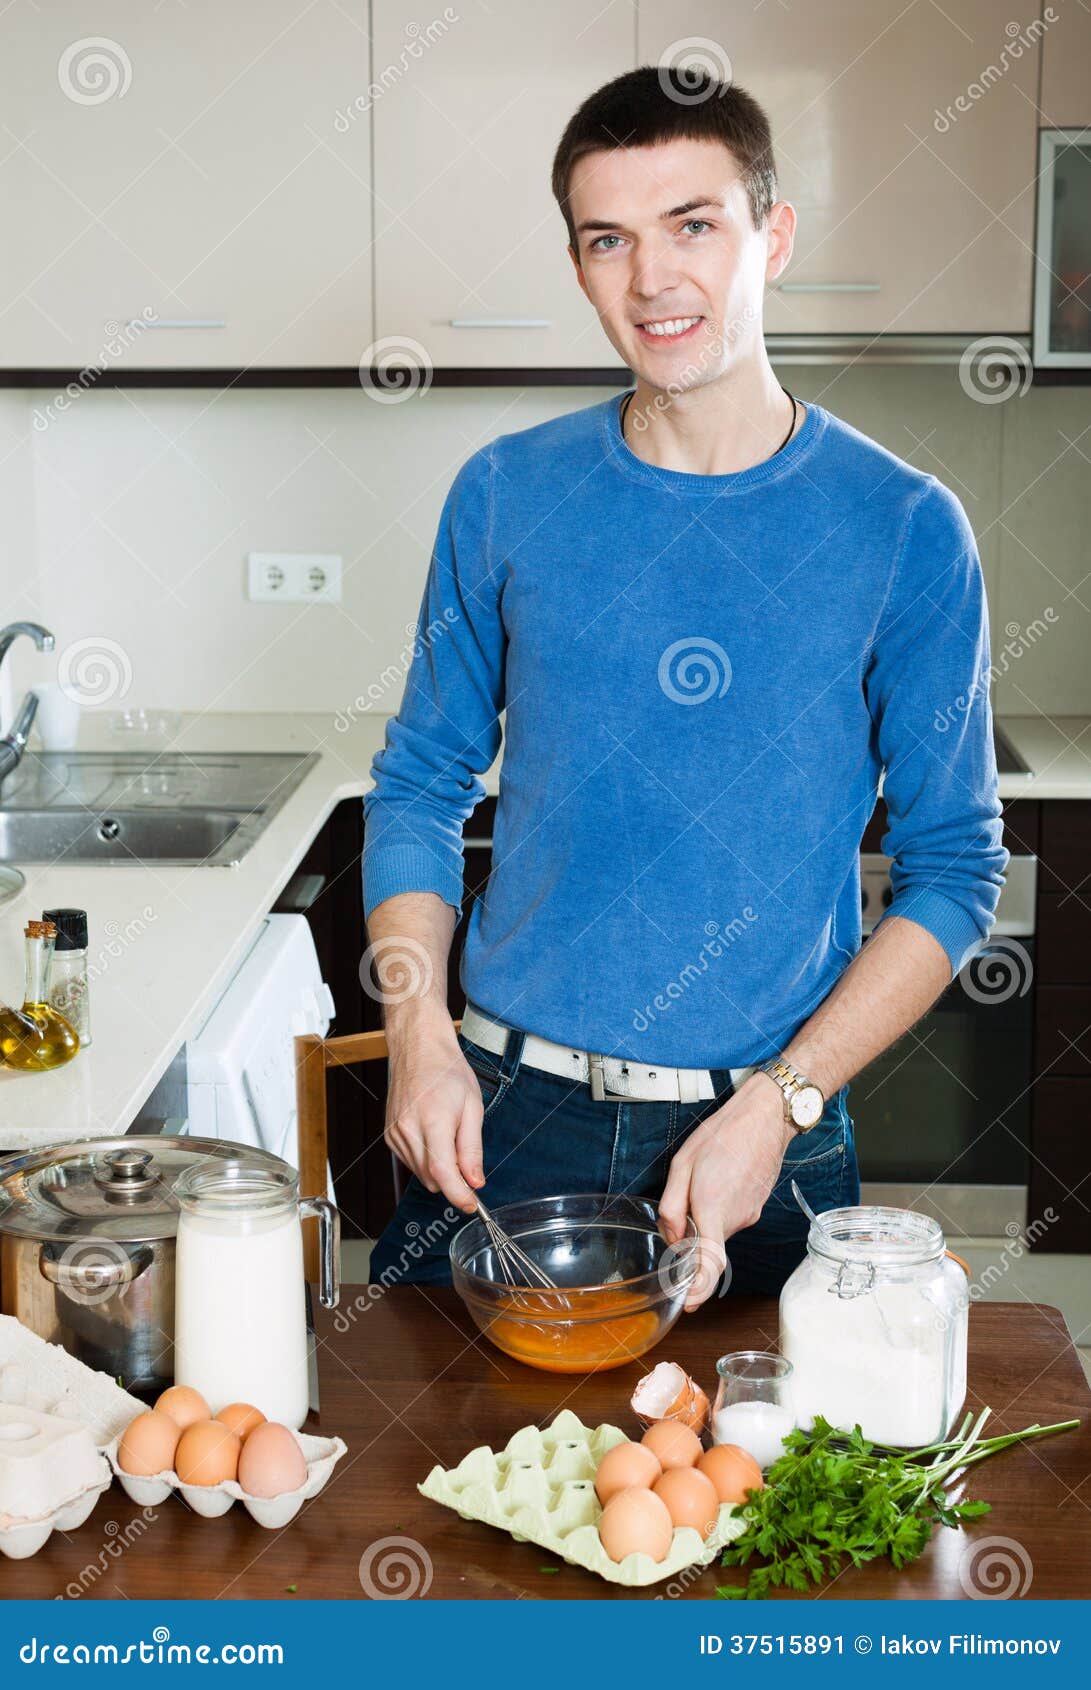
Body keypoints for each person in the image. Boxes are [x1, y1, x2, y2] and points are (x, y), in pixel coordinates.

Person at [361, 65, 1007, 1306]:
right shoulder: (504, 492)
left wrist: (784, 1099)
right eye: (609, 239)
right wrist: (415, 1034)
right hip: (501, 1118)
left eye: (692, 226)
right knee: (436, 1480)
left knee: (756, 1488)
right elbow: (419, 783)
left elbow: (954, 869)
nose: (651, 280)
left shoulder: (903, 527)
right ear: (578, 263)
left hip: (764, 1136)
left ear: (772, 235)